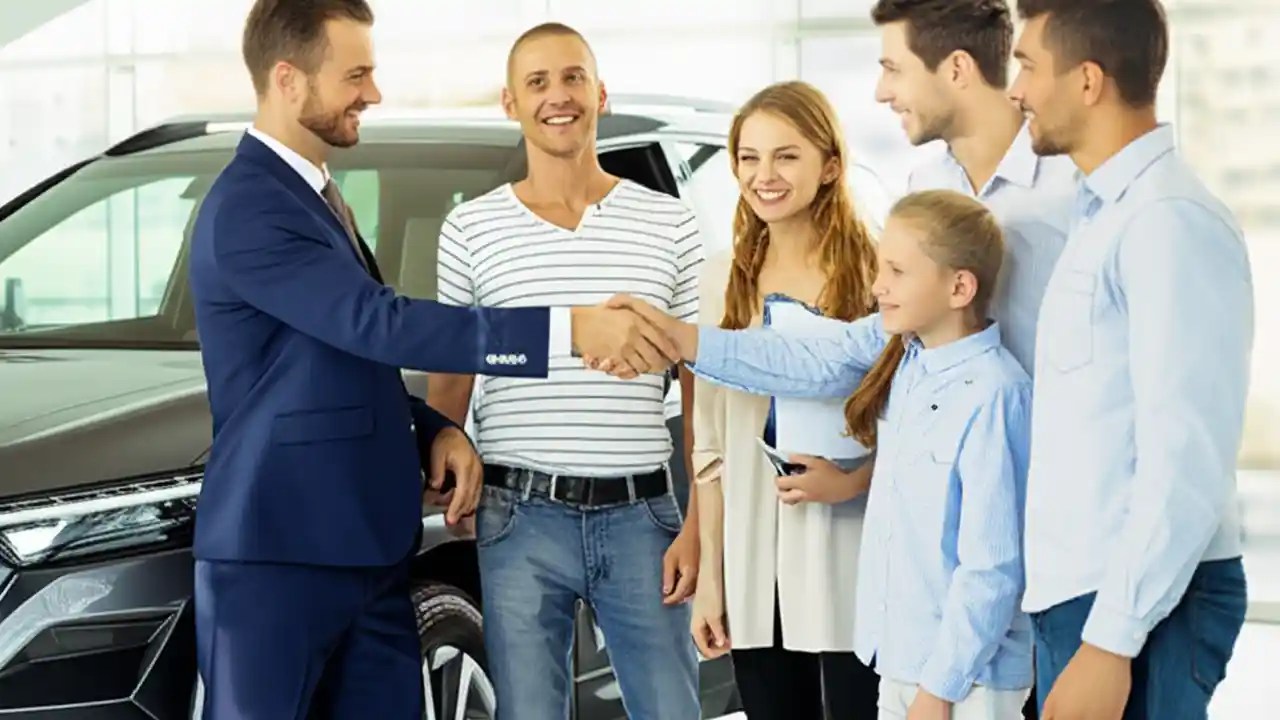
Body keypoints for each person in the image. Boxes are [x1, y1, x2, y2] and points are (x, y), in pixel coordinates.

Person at [187, 3, 676, 718]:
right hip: (280, 556)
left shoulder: (312, 195)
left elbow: (338, 363)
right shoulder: (251, 206)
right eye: (356, 75)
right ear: (288, 80)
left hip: (368, 554)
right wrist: (568, 330)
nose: (373, 93)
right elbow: (378, 323)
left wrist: (431, 430)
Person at [607, 190, 1035, 719]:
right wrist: (679, 339)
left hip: (967, 683)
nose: (878, 286)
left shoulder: (996, 395)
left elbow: (992, 570)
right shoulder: (907, 358)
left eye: (897, 272)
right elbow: (802, 357)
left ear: (959, 287)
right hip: (901, 662)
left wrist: (939, 689)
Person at [424, 22, 702, 720]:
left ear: (600, 93)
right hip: (518, 517)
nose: (559, 96)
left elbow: (704, 390)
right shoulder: (470, 229)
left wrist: (700, 522)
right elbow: (452, 372)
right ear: (510, 102)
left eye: (574, 77)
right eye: (538, 82)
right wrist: (445, 473)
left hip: (643, 516)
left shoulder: (671, 224)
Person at [1009, 2, 1253, 718]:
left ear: (1088, 81)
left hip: (1135, 609)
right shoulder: (1105, 215)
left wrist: (1112, 639)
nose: (1017, 91)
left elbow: (1186, 458)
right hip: (1087, 595)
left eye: (1028, 66)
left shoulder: (1166, 220)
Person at [685, 80, 882, 719]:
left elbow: (914, 422)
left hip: (852, 547)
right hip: (754, 557)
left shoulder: (880, 270)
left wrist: (854, 482)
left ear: (830, 166)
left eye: (786, 156)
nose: (763, 175)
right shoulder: (720, 277)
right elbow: (710, 448)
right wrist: (712, 580)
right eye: (749, 157)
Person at [870, 0, 1076, 375]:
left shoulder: (1074, 187)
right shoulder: (924, 188)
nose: (881, 92)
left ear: (957, 69)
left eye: (894, 70)